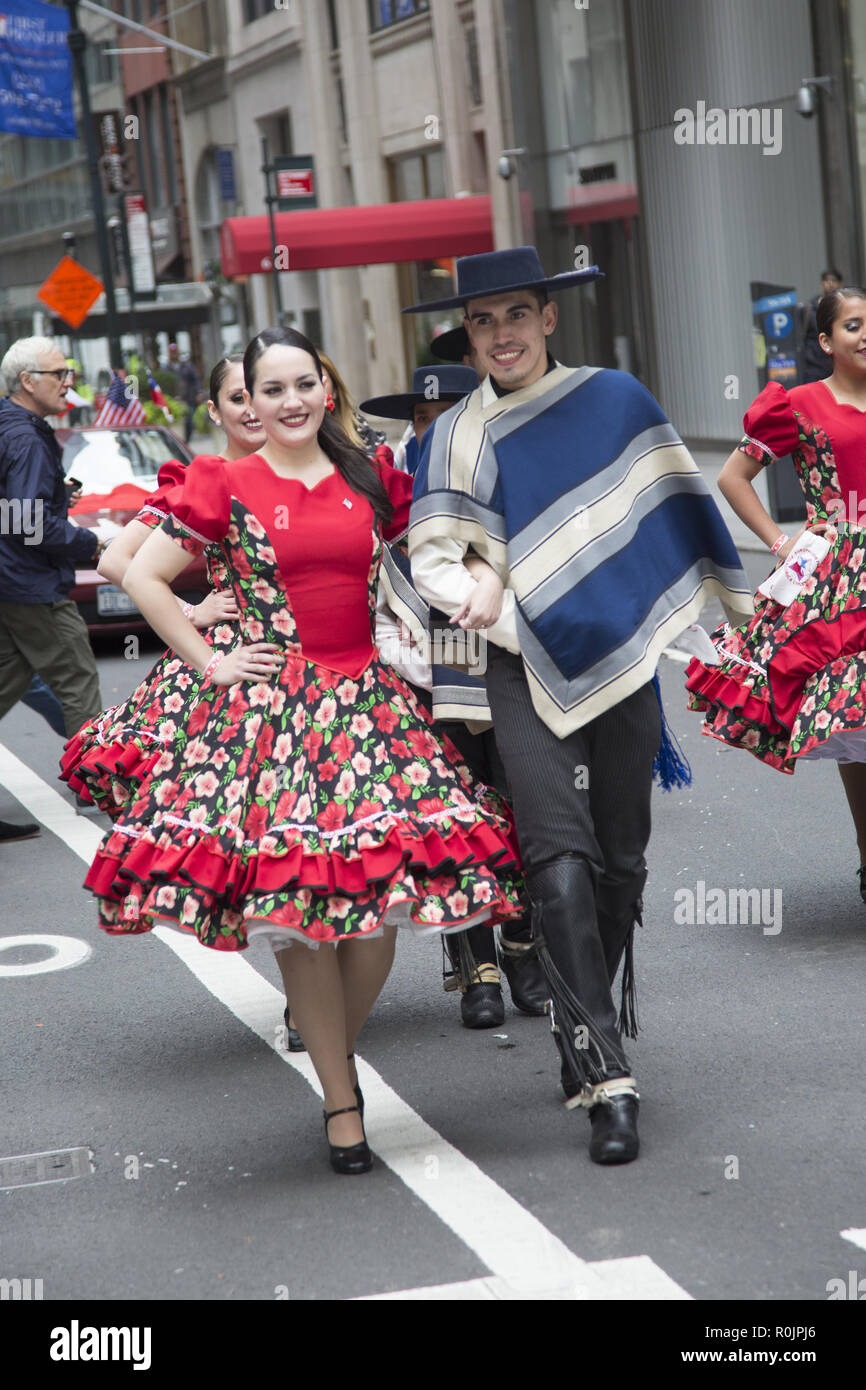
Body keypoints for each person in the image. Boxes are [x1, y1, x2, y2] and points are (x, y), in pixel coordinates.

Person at [79, 327, 523, 1176]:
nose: (287, 403)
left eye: (302, 385)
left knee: (383, 914)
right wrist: (209, 659)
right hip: (271, 716)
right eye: (269, 389)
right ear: (250, 398)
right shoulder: (224, 483)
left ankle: (333, 1050)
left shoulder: (373, 473)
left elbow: (452, 540)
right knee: (300, 922)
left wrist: (489, 576)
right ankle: (340, 1097)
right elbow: (138, 577)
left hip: (371, 706)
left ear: (327, 390)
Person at [406, 247, 752, 1164]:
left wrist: (747, 619)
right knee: (556, 859)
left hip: (625, 660)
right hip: (520, 667)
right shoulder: (455, 438)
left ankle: (577, 1010)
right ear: (469, 333)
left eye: (515, 315)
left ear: (548, 318)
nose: (501, 336)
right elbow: (434, 553)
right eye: (482, 323)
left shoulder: (616, 400)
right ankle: (605, 1069)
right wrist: (475, 584)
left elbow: (673, 509)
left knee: (621, 863)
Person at [361, 364, 548, 1026]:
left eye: (446, 414)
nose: (432, 426)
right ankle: (477, 970)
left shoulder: (510, 483)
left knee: (522, 813)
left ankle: (526, 948)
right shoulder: (391, 505)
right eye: (419, 417)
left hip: (510, 674)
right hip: (426, 685)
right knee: (453, 824)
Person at [686, 285, 866, 902]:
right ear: (825, 341)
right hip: (837, 578)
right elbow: (733, 477)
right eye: (852, 325)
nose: (864, 334)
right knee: (850, 714)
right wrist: (781, 541)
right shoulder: (798, 404)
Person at [60, 356, 261, 815]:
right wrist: (193, 613)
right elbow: (116, 561)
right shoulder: (200, 482)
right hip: (230, 655)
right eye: (237, 398)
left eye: (261, 393)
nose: (252, 409)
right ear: (214, 411)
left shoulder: (308, 472)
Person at [0, 337, 105, 769]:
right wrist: (92, 543)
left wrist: (51, 495)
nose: (68, 383)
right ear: (27, 381)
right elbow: (29, 525)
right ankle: (97, 778)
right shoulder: (25, 439)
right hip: (31, 582)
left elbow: (15, 506)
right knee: (77, 677)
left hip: (11, 580)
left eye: (69, 373)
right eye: (59, 374)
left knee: (11, 675)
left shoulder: (9, 425)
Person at [318, 350, 388, 457]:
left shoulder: (365, 436)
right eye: (305, 385)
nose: (315, 390)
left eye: (320, 380)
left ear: (335, 391)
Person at [801, 269, 843, 384]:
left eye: (833, 280)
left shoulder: (846, 308)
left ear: (840, 284)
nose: (829, 284)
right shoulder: (809, 308)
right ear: (821, 284)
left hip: (838, 365)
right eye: (826, 280)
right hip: (814, 366)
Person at [168, 343, 204, 445]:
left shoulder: (187, 366)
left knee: (189, 421)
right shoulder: (166, 368)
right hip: (174, 401)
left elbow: (196, 379)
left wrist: (199, 393)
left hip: (189, 399)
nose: (174, 353)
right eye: (172, 351)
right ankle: (180, 442)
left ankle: (186, 442)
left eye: (175, 351)